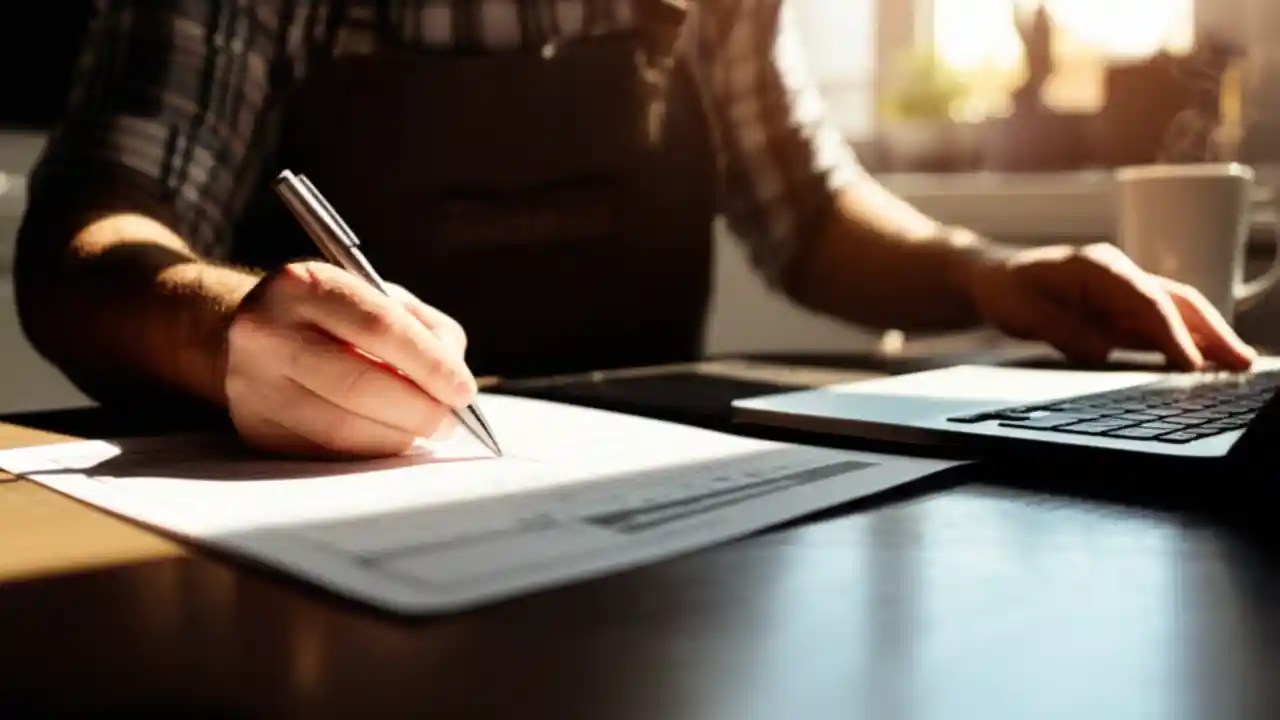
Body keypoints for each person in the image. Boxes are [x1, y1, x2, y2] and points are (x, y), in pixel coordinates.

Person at [15, 0, 1257, 459]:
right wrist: (229, 323)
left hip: (647, 519)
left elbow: (807, 215)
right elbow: (88, 249)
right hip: (305, 540)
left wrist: (992, 278)